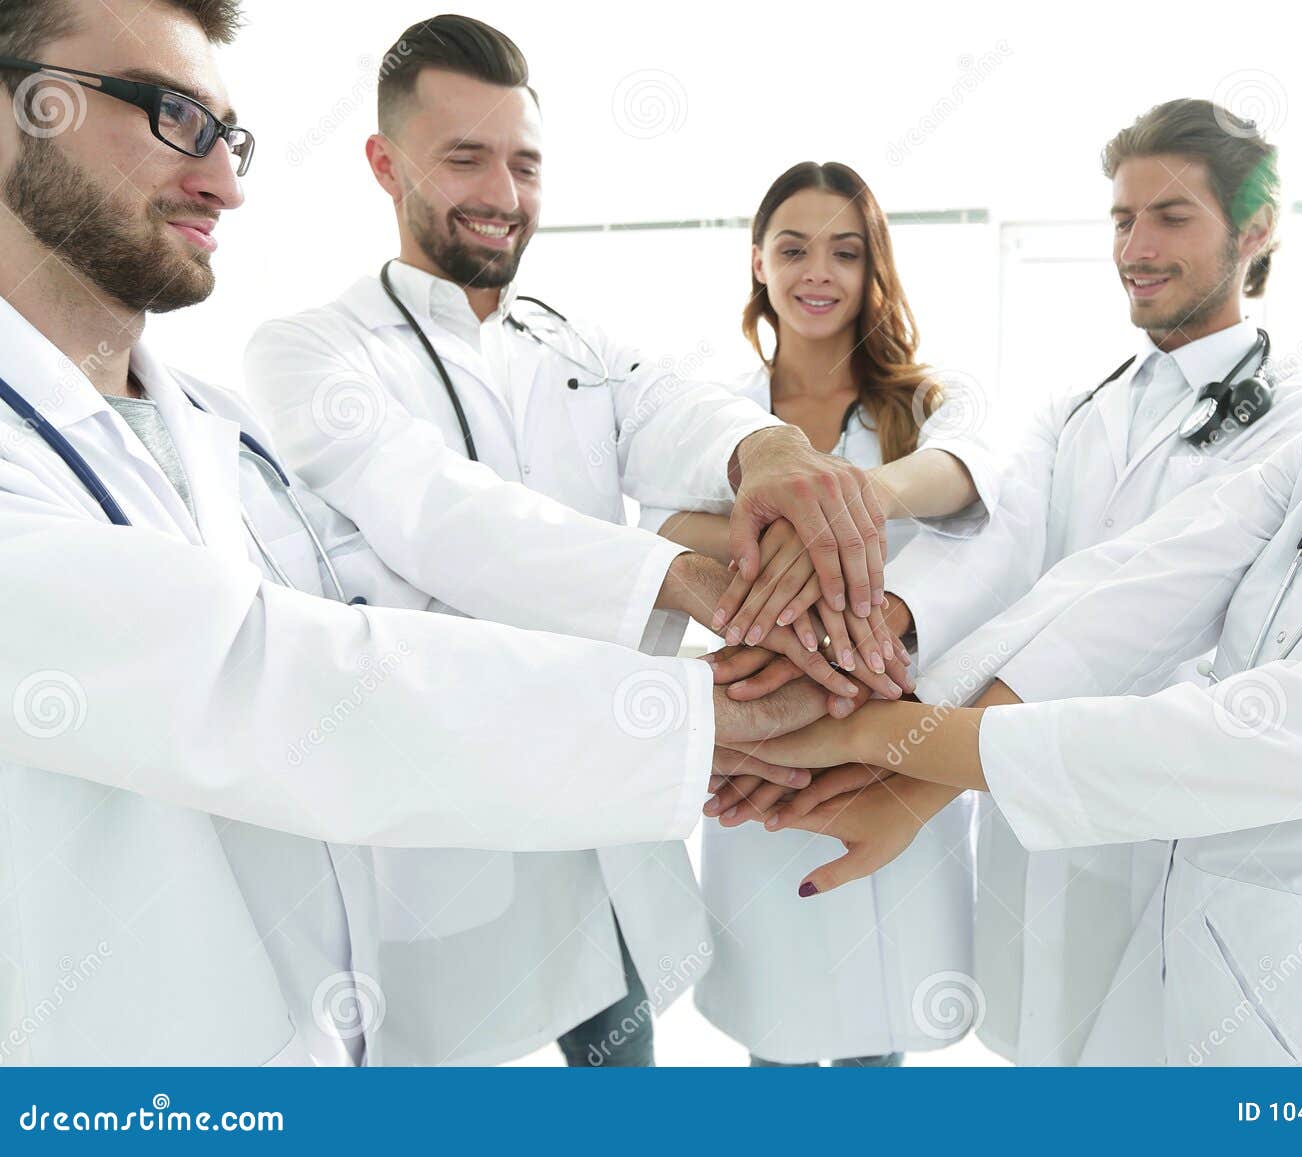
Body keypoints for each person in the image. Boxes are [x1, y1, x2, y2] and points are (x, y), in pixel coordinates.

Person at [732, 25, 1302, 1066]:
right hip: (1138, 961)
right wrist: (908, 748)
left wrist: (874, 734)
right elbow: (1126, 586)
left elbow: (1242, 737)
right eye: (1121, 218)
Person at [0, 0, 826, 1066]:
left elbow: (359, 608)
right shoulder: (309, 354)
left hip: (388, 956)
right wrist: (697, 657)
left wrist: (766, 460)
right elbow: (298, 648)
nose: (225, 182)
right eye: (169, 113)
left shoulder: (219, 428)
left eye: (229, 135)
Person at [239, 16, 896, 1066]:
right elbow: (435, 509)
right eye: (466, 158)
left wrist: (764, 448)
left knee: (624, 1084)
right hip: (452, 844)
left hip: (604, 822)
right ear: (384, 162)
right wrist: (683, 579)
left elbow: (674, 408)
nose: (502, 191)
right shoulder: (309, 349)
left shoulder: (570, 335)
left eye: (524, 162)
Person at [711, 100, 1302, 1064]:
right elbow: (995, 545)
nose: (1136, 246)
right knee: (1036, 1055)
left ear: (1255, 231)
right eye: (1122, 219)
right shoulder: (1073, 406)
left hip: (1166, 808)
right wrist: (877, 627)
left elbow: (1141, 601)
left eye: (1170, 217)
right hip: (1027, 814)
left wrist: (896, 754)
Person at [643, 161, 998, 1066]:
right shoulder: (718, 409)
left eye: (846, 251)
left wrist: (829, 509)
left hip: (890, 728)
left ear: (874, 269)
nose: (818, 273)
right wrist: (810, 531)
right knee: (782, 1025)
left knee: (883, 1039)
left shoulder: (928, 401)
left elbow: (972, 489)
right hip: (765, 736)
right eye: (793, 248)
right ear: (757, 261)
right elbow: (654, 518)